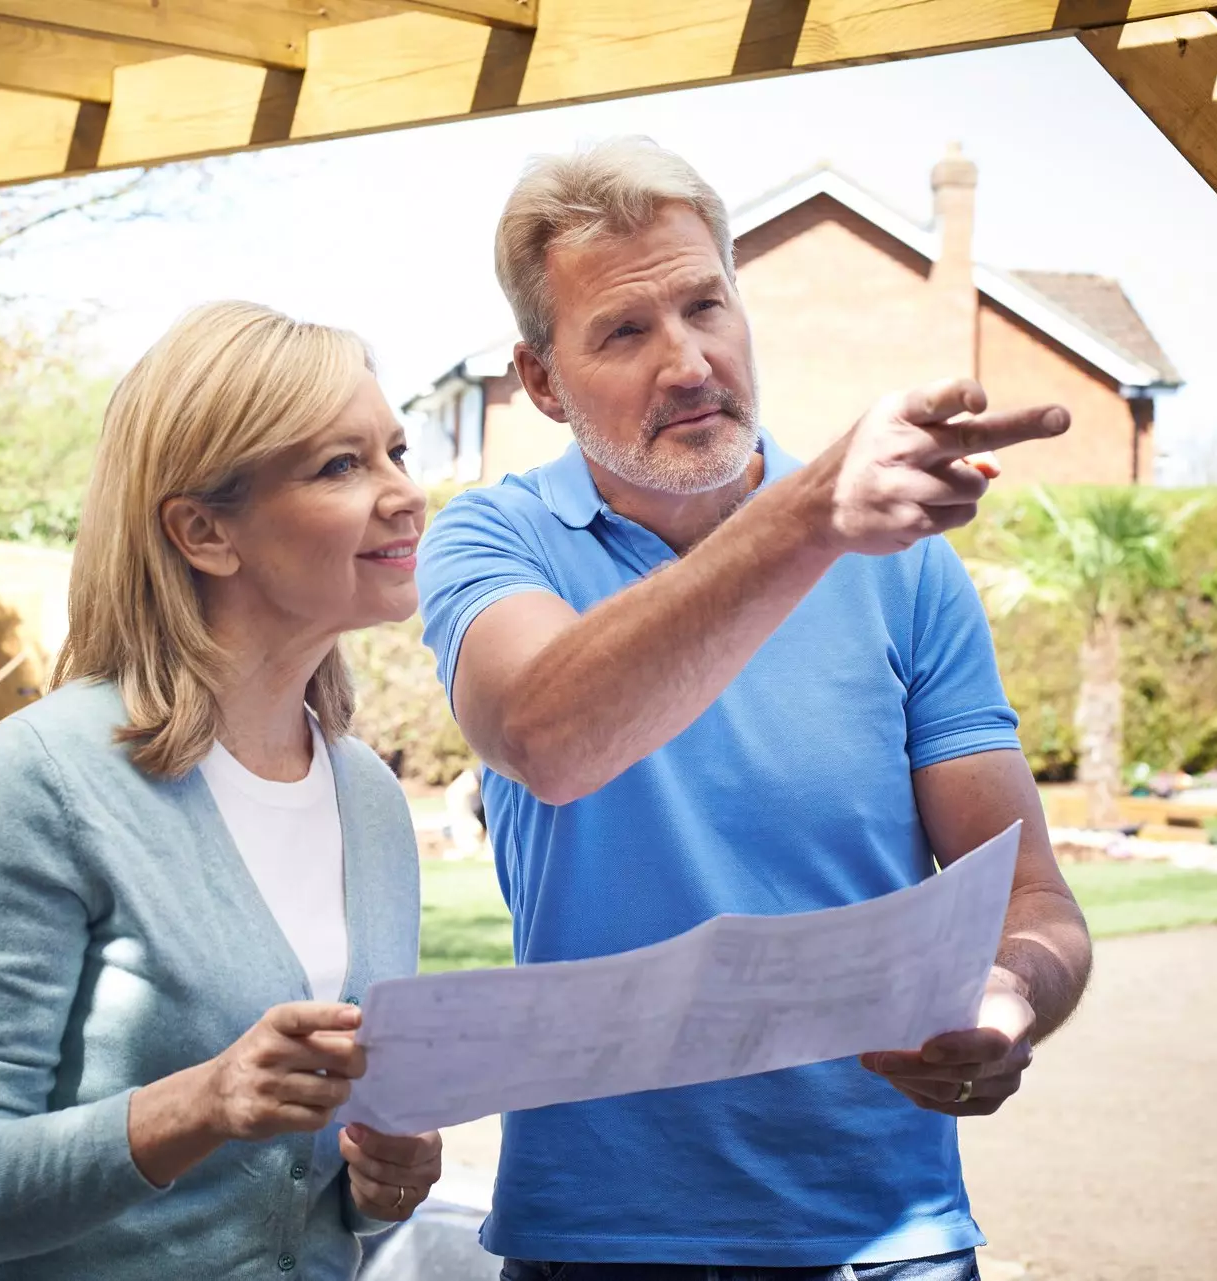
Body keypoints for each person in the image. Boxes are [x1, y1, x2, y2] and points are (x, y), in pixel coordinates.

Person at [417, 138, 1094, 1278]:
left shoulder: (907, 564)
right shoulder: (494, 541)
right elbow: (546, 735)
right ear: (540, 381)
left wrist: (1010, 996)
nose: (687, 362)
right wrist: (815, 514)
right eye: (625, 333)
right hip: (601, 1237)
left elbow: (1032, 895)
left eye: (705, 306)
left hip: (889, 1235)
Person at [0, 301, 444, 1279]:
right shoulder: (44, 780)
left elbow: (305, 1196)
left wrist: (374, 1186)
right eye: (342, 465)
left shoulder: (369, 797)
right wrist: (204, 1103)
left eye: (397, 450)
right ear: (203, 532)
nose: (404, 493)